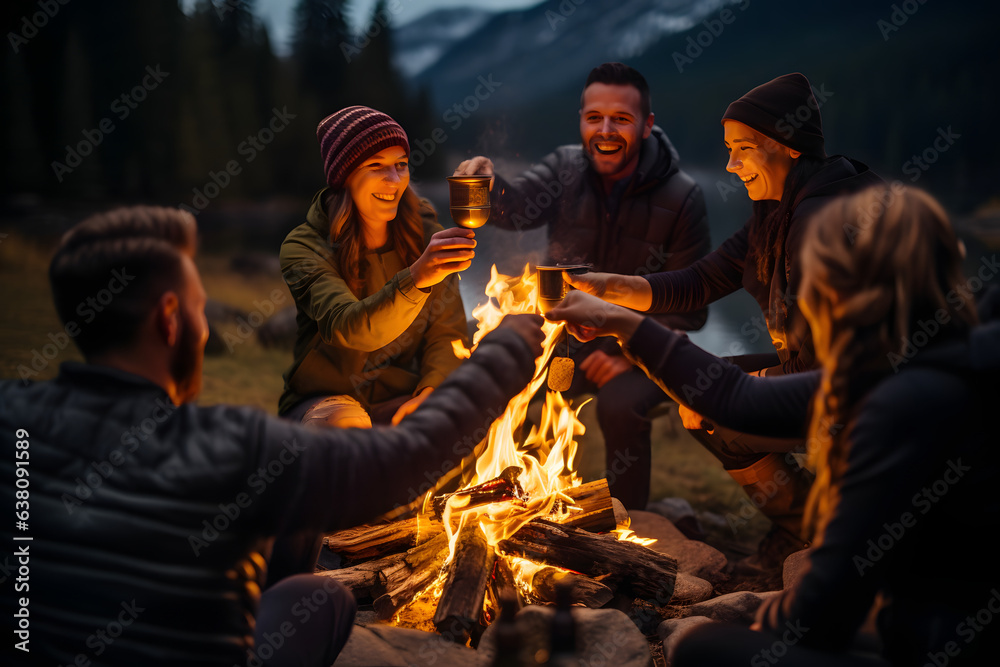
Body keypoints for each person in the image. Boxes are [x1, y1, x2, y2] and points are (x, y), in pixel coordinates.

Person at [0, 206, 544, 666]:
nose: (205, 325)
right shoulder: (232, 446)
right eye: (197, 306)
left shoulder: (14, 416)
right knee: (322, 599)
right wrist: (506, 349)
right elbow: (406, 457)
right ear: (170, 320)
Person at [546, 185, 999, 665]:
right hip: (934, 617)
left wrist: (780, 614)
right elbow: (741, 400)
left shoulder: (896, 407)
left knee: (701, 648)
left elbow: (820, 620)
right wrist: (623, 321)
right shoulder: (938, 362)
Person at [566, 72, 883, 573]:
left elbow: (830, 368)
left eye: (741, 149)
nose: (730, 164)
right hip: (812, 370)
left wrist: (726, 395)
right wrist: (601, 286)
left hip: (868, 393)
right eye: (728, 149)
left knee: (711, 407)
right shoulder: (779, 209)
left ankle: (826, 537)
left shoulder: (822, 223)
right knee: (698, 389)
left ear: (786, 147)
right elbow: (695, 282)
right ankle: (804, 530)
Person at [452, 62, 712, 510]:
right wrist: (486, 185)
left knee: (619, 406)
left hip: (643, 350)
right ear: (581, 120)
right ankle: (471, 503)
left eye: (621, 119)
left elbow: (693, 307)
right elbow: (516, 210)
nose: (605, 130)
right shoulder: (564, 168)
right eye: (594, 117)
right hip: (564, 337)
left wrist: (629, 350)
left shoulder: (682, 197)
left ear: (647, 125)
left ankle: (628, 522)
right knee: (493, 363)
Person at [279, 106, 476, 429]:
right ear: (345, 176)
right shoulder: (304, 247)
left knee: (472, 415)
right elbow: (348, 327)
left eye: (401, 165)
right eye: (376, 166)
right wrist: (416, 279)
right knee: (347, 424)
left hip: (402, 400)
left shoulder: (424, 230)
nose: (395, 180)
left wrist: (431, 393)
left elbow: (447, 333)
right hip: (327, 402)